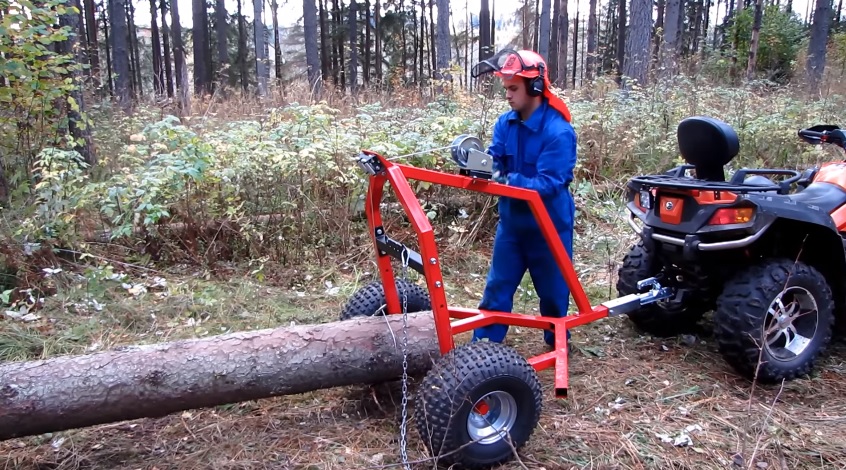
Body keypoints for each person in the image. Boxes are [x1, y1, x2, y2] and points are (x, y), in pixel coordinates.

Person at [469, 49, 578, 348]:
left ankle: (556, 340)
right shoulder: (506, 123)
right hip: (513, 223)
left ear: (535, 87)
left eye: (513, 88)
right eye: (506, 88)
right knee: (498, 287)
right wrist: (477, 164)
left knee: (554, 292)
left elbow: (549, 182)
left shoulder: (558, 132)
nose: (508, 95)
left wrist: (507, 179)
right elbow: (495, 158)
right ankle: (484, 346)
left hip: (549, 226)